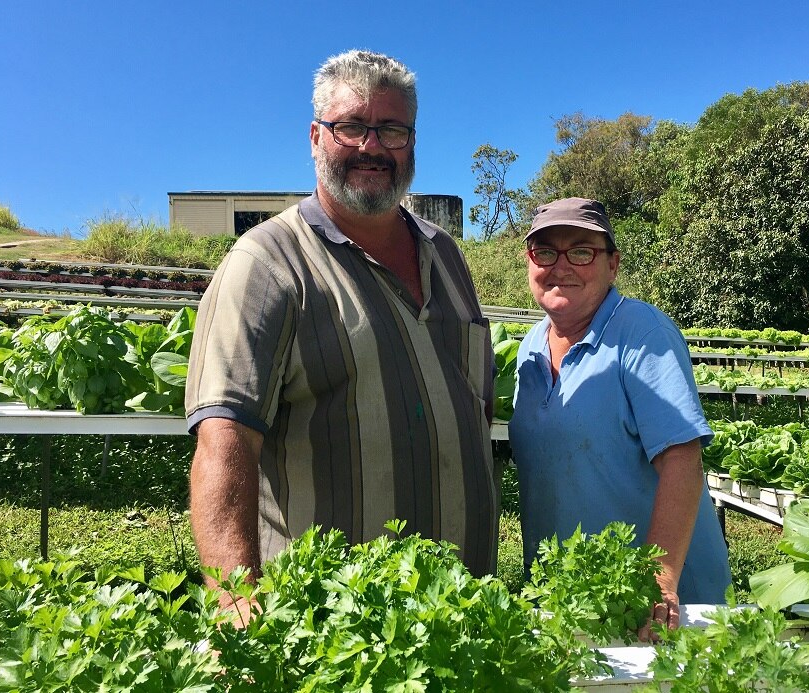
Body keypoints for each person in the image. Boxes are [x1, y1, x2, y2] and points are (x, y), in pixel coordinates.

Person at [185, 50, 498, 614]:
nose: (371, 146)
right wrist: (235, 602)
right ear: (314, 136)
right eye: (351, 126)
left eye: (391, 129)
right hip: (334, 628)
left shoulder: (446, 256)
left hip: (466, 611)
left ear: (412, 142)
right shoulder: (268, 261)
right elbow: (225, 440)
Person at [508, 197, 731, 635]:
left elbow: (682, 459)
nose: (561, 265)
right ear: (530, 262)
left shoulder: (642, 333)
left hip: (652, 607)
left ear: (613, 264)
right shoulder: (529, 347)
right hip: (570, 597)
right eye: (545, 251)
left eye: (582, 251)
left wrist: (658, 582)